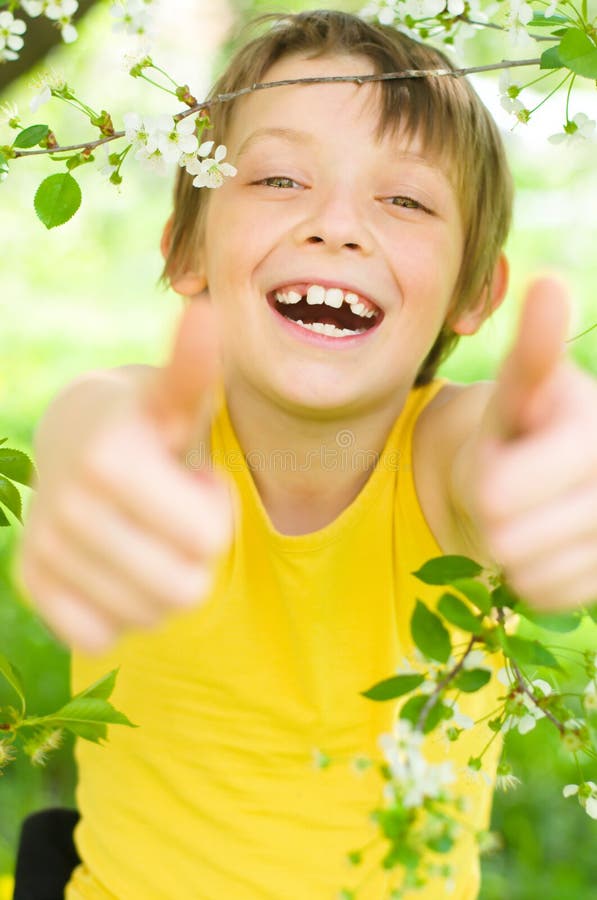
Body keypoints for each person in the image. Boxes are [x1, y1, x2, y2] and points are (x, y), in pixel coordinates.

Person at [16, 9, 597, 900]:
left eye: (403, 199)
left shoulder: (446, 463)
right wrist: (87, 472)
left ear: (474, 291)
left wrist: (554, 461)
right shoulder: (137, 425)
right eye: (279, 178)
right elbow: (93, 427)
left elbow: (490, 452)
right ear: (184, 249)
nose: (337, 226)